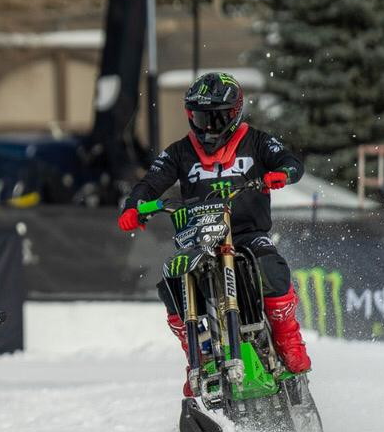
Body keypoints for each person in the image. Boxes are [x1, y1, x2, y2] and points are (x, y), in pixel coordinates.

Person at [117, 72, 312, 394]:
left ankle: (288, 338)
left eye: (216, 118)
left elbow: (289, 161)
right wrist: (133, 207)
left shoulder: (257, 141)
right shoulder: (179, 152)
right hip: (198, 236)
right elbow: (150, 182)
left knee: (271, 267)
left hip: (246, 232)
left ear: (234, 114)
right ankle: (199, 355)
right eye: (200, 117)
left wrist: (282, 173)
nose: (208, 126)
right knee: (172, 280)